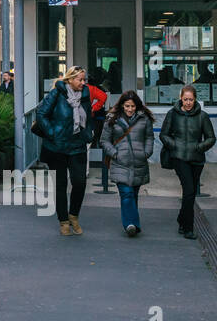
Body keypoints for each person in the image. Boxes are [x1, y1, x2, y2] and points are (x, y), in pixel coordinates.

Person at [34, 65, 92, 237]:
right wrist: (53, 133)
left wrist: (88, 133)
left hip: (77, 145)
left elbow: (88, 117)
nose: (83, 82)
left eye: (84, 79)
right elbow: (41, 114)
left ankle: (73, 215)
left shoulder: (85, 95)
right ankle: (63, 221)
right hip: (57, 147)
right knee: (60, 186)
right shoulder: (57, 93)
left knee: (79, 182)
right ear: (70, 79)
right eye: (80, 79)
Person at [160, 85, 216, 240]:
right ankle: (188, 228)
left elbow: (211, 138)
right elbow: (163, 135)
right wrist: (175, 146)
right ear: (180, 98)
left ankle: (181, 219)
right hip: (179, 158)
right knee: (190, 190)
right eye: (185, 99)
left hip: (196, 159)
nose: (188, 102)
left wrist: (199, 147)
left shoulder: (202, 116)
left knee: (189, 194)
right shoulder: (172, 114)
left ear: (195, 99)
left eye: (191, 99)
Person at [101, 90, 154, 237]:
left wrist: (146, 152)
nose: (130, 109)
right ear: (122, 105)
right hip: (120, 162)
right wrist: (114, 153)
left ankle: (132, 222)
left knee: (133, 194)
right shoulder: (112, 119)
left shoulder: (144, 119)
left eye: (132, 106)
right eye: (127, 106)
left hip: (138, 161)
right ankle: (131, 224)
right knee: (126, 194)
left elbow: (149, 137)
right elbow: (104, 140)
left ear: (137, 106)